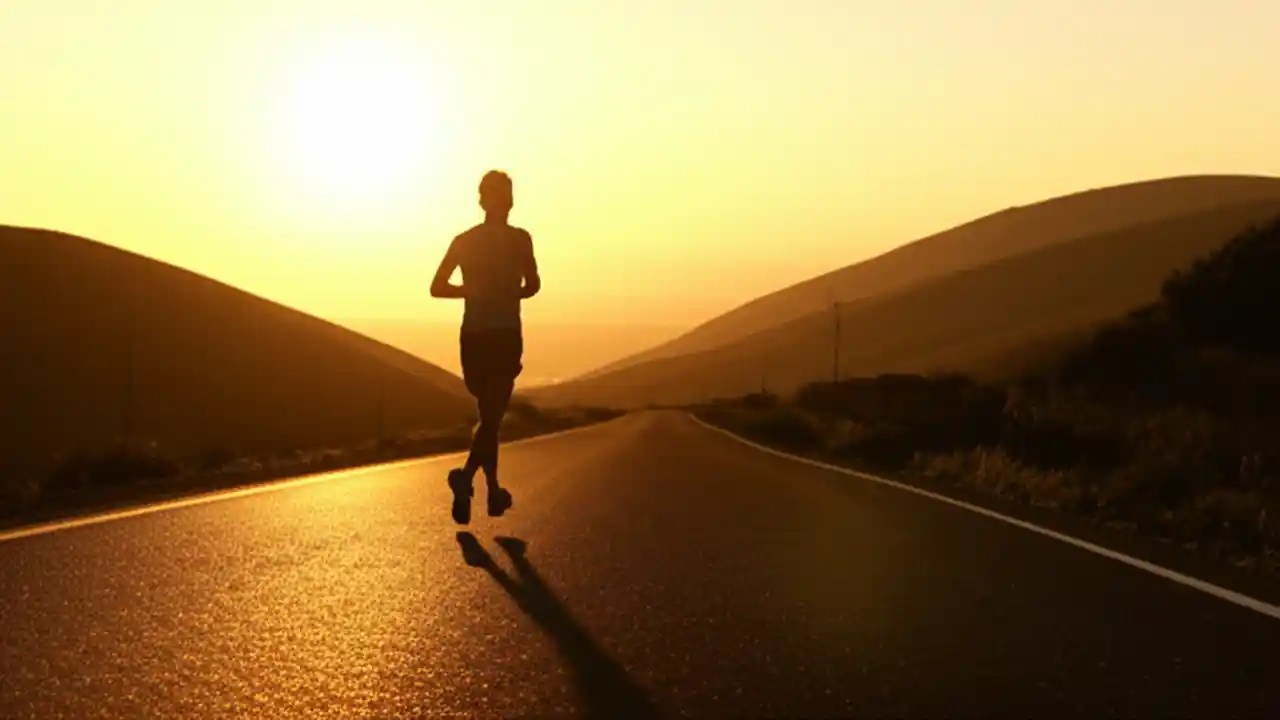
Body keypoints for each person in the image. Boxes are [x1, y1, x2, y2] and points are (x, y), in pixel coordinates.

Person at [431, 170, 540, 524]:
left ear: (481, 200)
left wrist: (470, 292)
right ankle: (465, 477)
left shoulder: (464, 241)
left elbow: (437, 287)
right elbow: (534, 284)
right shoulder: (521, 239)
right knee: (491, 419)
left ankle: (493, 492)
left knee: (488, 417)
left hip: (473, 336)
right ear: (509, 200)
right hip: (505, 334)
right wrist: (513, 292)